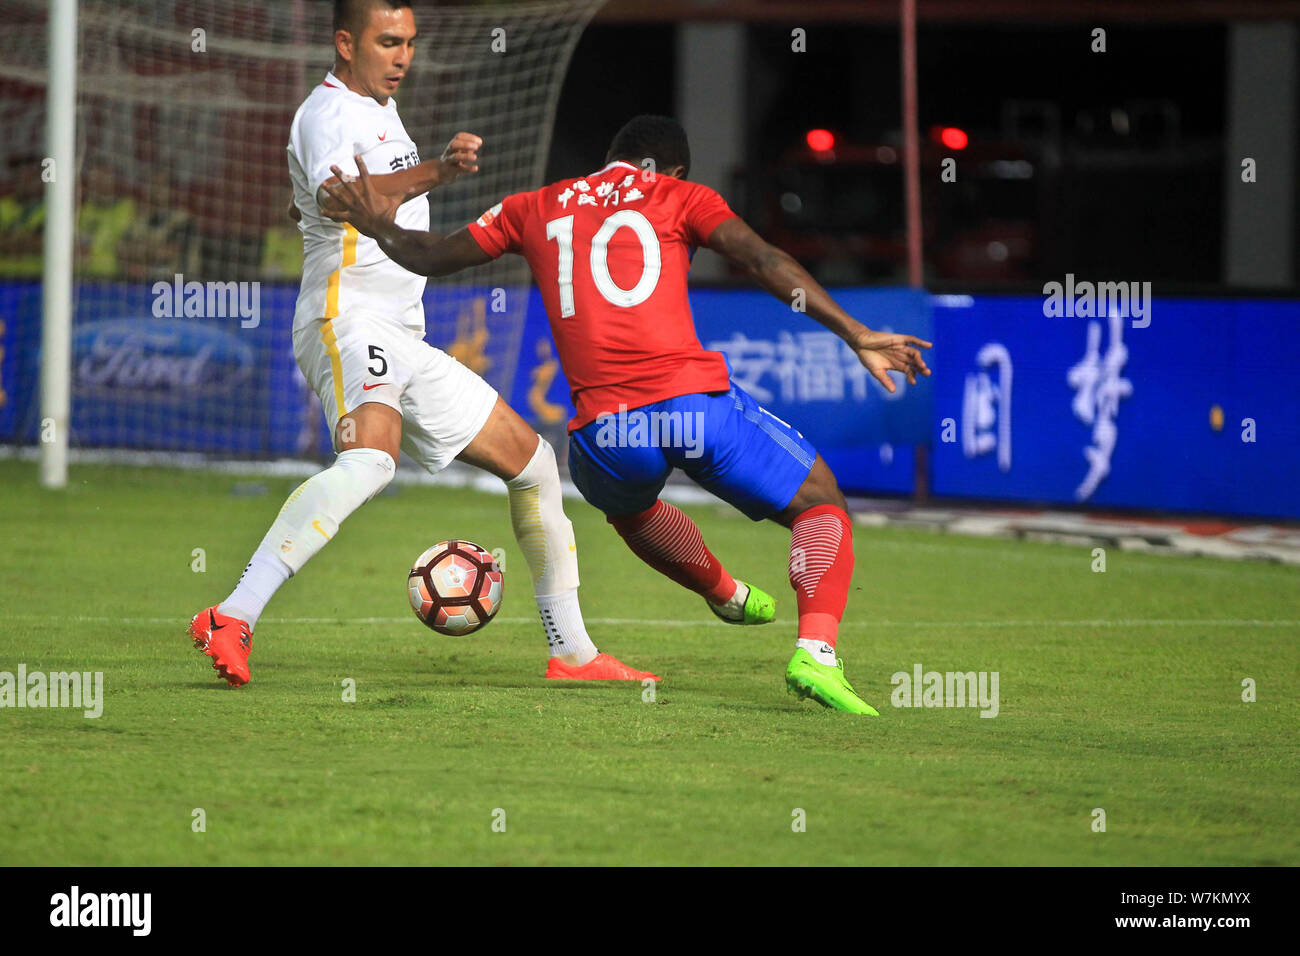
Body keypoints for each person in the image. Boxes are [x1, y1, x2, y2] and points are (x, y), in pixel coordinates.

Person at [319, 114, 932, 714]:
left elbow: (428, 255)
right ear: (669, 167)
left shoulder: (532, 205)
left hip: (604, 434)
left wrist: (376, 220)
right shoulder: (680, 195)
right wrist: (855, 332)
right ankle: (816, 653)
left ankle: (723, 593)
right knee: (820, 502)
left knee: (630, 507)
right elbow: (765, 261)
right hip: (692, 408)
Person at [187, 0, 656, 687]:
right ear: (346, 44)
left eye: (408, 42)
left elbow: (313, 198)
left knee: (533, 465)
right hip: (345, 319)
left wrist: (314, 194)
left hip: (404, 333)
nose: (402, 55)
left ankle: (573, 653)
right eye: (387, 42)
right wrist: (437, 170)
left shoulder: (378, 109)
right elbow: (340, 201)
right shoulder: (328, 112)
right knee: (371, 463)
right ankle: (232, 614)